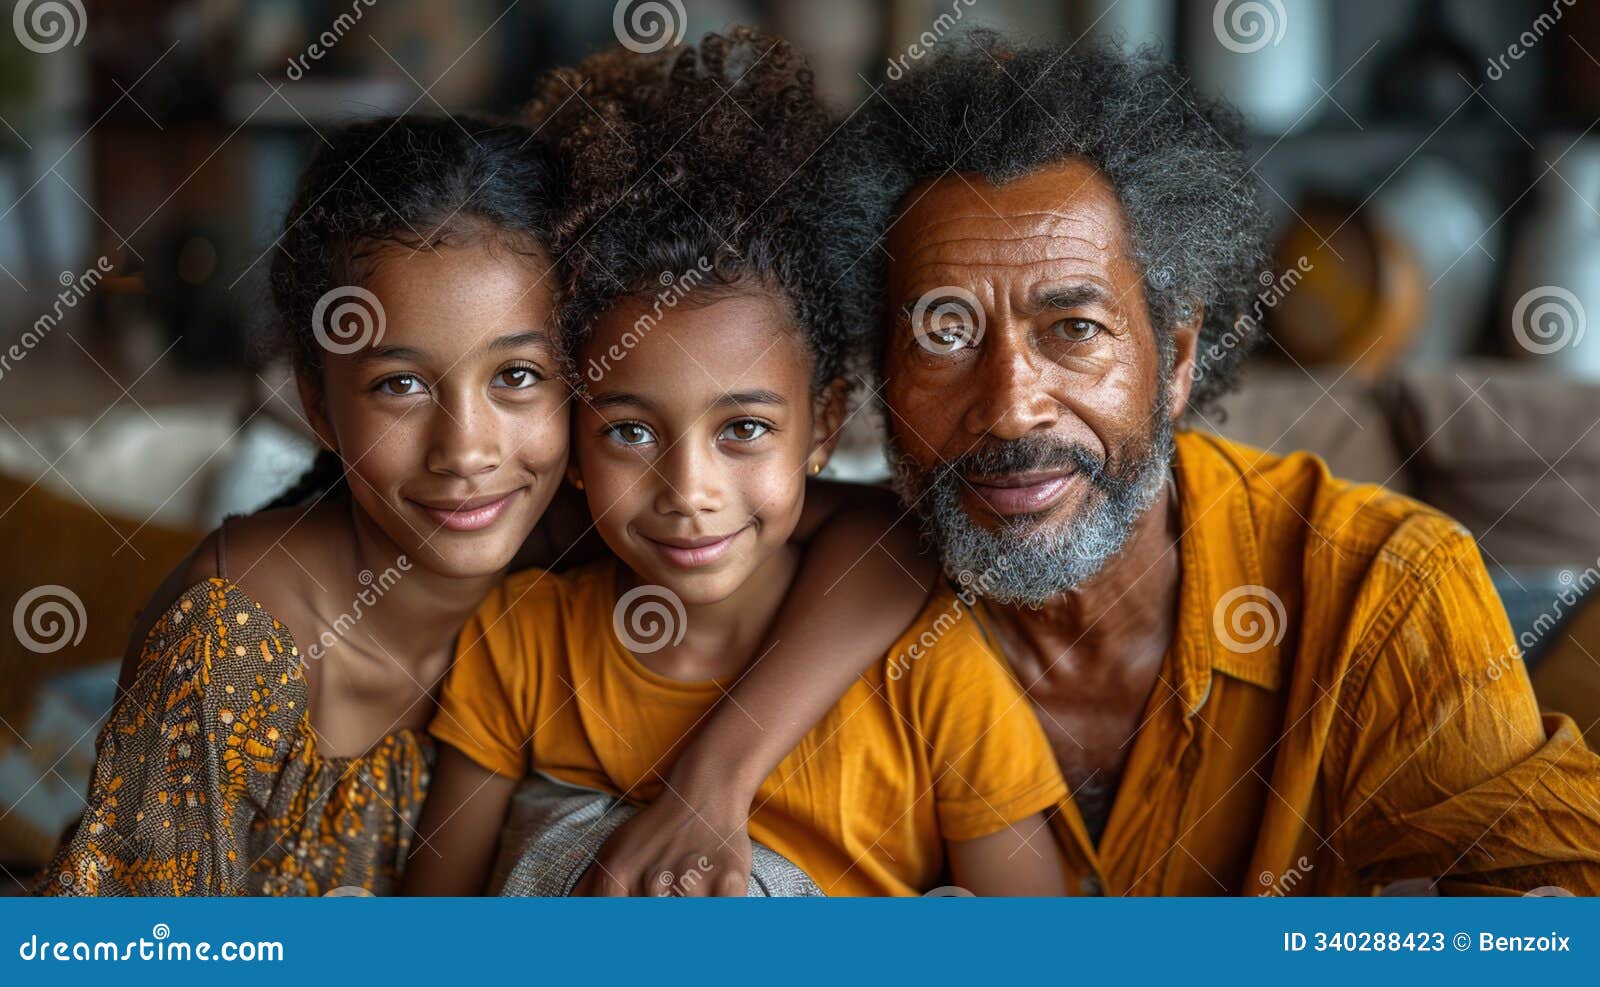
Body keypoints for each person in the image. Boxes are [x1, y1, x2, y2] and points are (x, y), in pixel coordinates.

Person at [656, 32, 1600, 896]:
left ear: (1177, 357)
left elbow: (1543, 918)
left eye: (1074, 330)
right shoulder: (804, 617)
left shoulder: (1384, 589)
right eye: (944, 334)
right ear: (879, 376)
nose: (1011, 406)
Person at [38, 112, 935, 896]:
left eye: (517, 376)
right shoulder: (235, 639)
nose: (467, 450)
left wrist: (712, 783)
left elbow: (886, 536)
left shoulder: (584, 519)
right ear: (318, 403)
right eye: (398, 385)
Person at [402, 29, 1067, 898]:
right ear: (570, 434)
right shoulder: (523, 645)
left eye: (744, 429)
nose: (689, 493)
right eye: (630, 432)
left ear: (824, 425)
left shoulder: (930, 669)